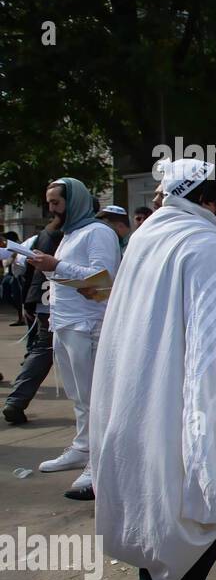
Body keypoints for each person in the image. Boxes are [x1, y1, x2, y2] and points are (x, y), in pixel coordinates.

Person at [92, 158, 216, 580]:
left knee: (151, 499)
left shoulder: (146, 236)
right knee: (198, 511)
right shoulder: (206, 244)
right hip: (182, 404)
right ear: (206, 198)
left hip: (137, 400)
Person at [26, 177, 121, 500]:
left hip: (88, 327)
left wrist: (56, 264)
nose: (51, 209)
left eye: (56, 202)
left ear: (74, 201)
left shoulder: (99, 233)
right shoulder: (72, 235)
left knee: (95, 399)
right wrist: (48, 267)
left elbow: (103, 281)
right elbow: (71, 277)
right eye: (49, 202)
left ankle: (99, 463)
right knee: (79, 398)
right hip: (65, 324)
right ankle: (82, 448)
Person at [4, 223, 62, 426]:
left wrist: (30, 294)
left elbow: (19, 263)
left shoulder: (41, 236)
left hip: (44, 299)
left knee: (42, 348)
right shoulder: (92, 233)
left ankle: (17, 400)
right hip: (76, 304)